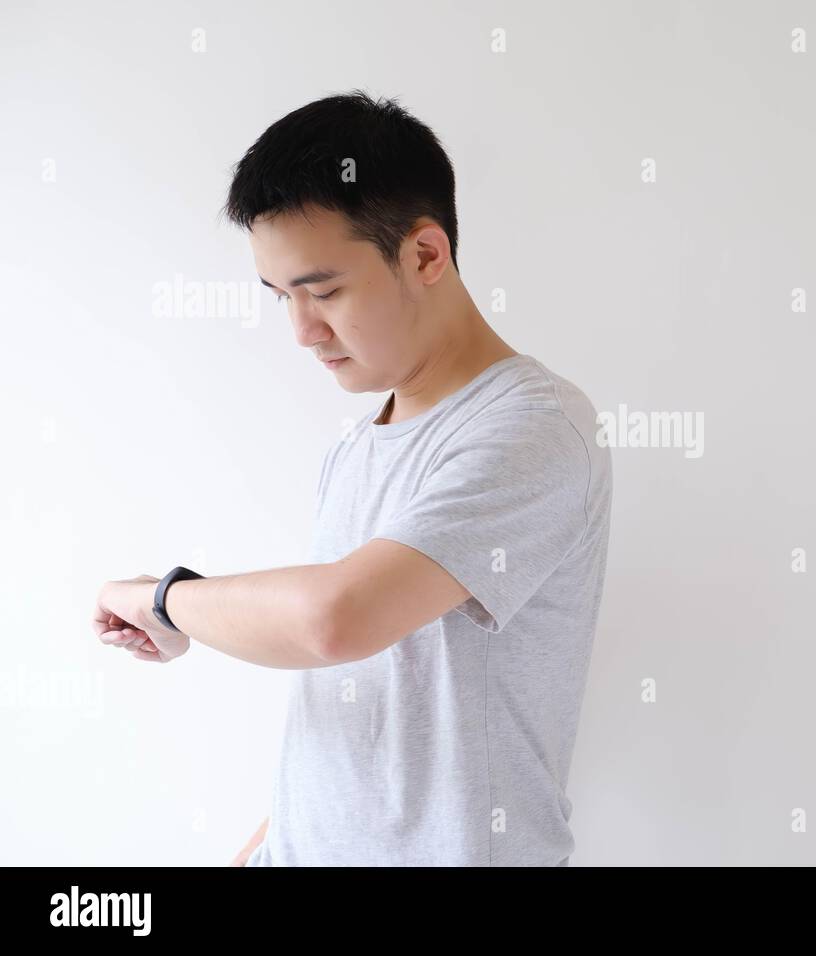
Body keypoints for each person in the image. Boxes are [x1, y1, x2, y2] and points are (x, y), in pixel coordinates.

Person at [91, 89, 613, 866]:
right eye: (282, 298)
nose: (302, 332)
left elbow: (335, 620)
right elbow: (360, 697)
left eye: (324, 291)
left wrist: (162, 600)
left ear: (425, 255)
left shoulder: (534, 428)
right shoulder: (355, 451)